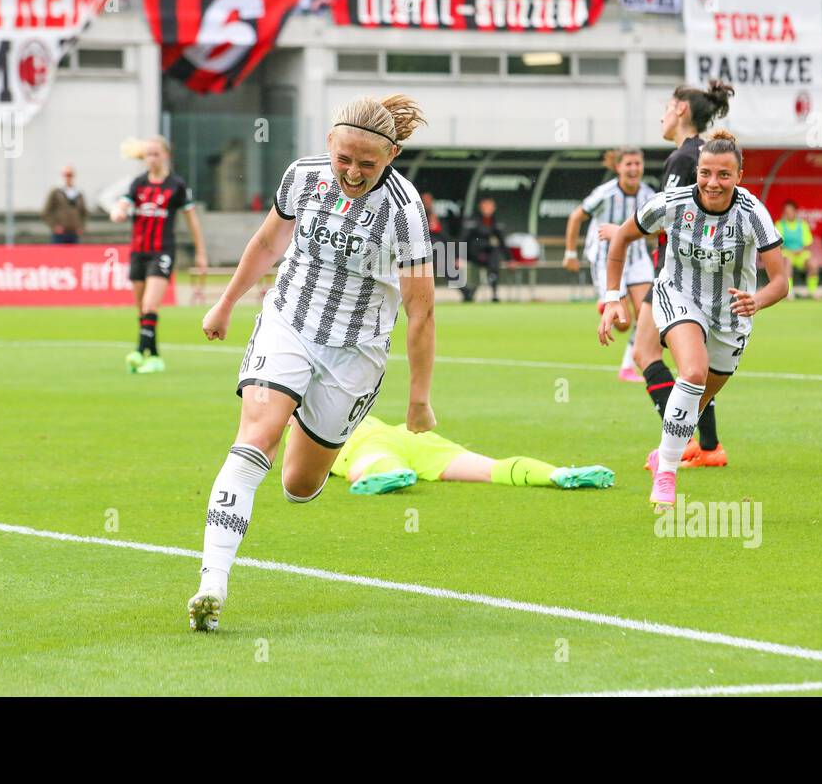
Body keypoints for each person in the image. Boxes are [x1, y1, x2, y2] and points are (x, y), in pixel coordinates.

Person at [190, 94, 436, 632]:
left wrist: (419, 399)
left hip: (357, 351)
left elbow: (421, 309)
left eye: (367, 164)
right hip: (289, 324)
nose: (352, 172)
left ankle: (299, 410)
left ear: (391, 155)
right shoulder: (302, 176)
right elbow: (267, 242)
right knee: (257, 435)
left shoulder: (405, 211)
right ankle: (213, 582)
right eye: (344, 158)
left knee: (299, 483)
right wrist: (226, 302)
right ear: (330, 143)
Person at [599, 130, 787, 510]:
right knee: (693, 372)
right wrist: (612, 297)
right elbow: (620, 238)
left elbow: (781, 281)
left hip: (730, 315)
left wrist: (758, 299)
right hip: (678, 295)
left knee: (700, 397)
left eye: (723, 174)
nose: (712, 183)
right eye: (705, 173)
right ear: (696, 171)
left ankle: (663, 450)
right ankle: (667, 472)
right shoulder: (671, 203)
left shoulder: (754, 214)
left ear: (739, 175)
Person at [631, 81, 734, 469]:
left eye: (666, 107)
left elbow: (666, 218)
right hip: (699, 273)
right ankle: (708, 446)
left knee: (647, 353)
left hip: (675, 275)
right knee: (696, 364)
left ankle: (683, 440)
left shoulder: (683, 158)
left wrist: (628, 230)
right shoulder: (702, 155)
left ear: (680, 111)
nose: (661, 115)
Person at [110, 137, 209, 374]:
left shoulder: (176, 185)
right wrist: (118, 212)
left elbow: (192, 220)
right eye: (147, 155)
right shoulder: (138, 183)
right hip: (138, 252)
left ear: (165, 155)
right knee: (141, 310)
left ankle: (137, 352)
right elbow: (122, 205)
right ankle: (154, 356)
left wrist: (201, 252)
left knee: (150, 304)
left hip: (161, 251)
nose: (151, 159)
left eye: (155, 154)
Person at [326, 414, 614, 494]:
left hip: (359, 443)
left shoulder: (311, 431)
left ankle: (389, 473)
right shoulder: (352, 406)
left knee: (366, 464)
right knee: (490, 469)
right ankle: (556, 473)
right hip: (412, 435)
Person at [564, 148, 656, 382]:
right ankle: (605, 305)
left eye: (638, 163)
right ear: (618, 167)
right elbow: (576, 216)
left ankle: (627, 368)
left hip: (636, 258)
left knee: (648, 312)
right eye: (628, 164)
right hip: (607, 259)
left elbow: (656, 228)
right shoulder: (604, 194)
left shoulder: (648, 194)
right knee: (623, 323)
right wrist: (570, 253)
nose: (634, 168)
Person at [460, 197, 507, 303]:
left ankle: (493, 285)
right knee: (493, 257)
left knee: (494, 253)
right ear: (480, 207)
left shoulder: (494, 221)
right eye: (485, 206)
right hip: (472, 254)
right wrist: (460, 257)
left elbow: (502, 241)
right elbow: (463, 239)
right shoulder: (473, 220)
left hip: (487, 254)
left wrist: (510, 259)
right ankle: (491, 279)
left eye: (490, 206)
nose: (488, 209)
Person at [775, 200, 820, 300]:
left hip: (801, 253)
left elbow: (807, 242)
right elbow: (778, 243)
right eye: (786, 212)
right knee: (787, 262)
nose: (788, 214)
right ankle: (788, 291)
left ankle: (812, 290)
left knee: (813, 263)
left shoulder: (803, 225)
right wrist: (789, 250)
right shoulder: (779, 225)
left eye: (790, 211)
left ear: (795, 212)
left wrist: (799, 250)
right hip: (786, 253)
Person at [42, 165, 88, 244]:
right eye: (66, 175)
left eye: (70, 175)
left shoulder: (78, 193)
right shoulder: (55, 192)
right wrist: (54, 226)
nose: (68, 178)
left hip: (74, 233)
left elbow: (84, 212)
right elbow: (46, 211)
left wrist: (81, 226)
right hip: (59, 234)